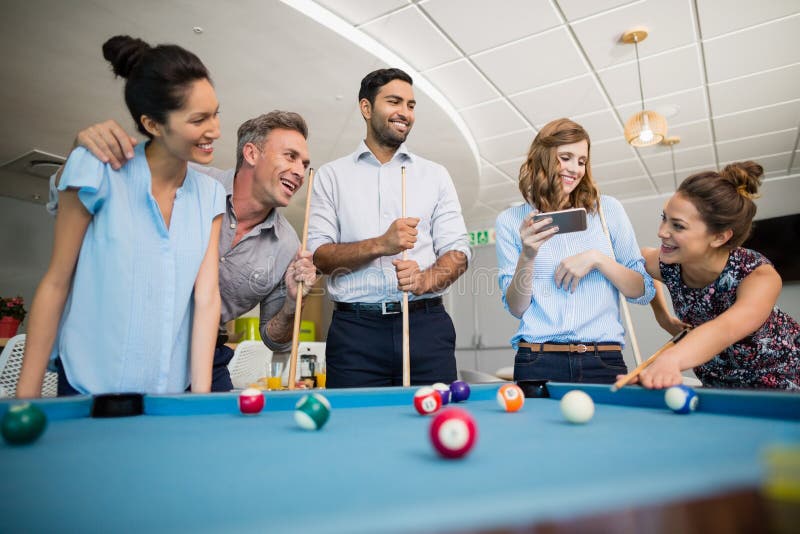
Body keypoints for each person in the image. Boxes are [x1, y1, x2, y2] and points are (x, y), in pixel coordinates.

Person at [48, 111, 319, 392]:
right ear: (251, 153)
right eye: (290, 156)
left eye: (305, 163)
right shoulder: (187, 178)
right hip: (127, 335)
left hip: (206, 355)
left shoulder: (288, 245)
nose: (300, 171)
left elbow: (275, 340)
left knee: (215, 433)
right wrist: (80, 158)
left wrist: (292, 300)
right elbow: (65, 197)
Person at [17, 35, 225, 397]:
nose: (215, 131)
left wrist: (201, 398)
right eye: (199, 119)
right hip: (88, 387)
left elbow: (207, 298)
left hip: (168, 393)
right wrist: (25, 398)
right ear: (153, 124)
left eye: (216, 113)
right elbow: (56, 283)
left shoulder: (209, 196)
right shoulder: (95, 169)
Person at [308, 68, 471, 388]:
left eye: (411, 105)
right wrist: (381, 244)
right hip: (355, 336)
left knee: (434, 427)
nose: (405, 113)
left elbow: (459, 252)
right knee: (355, 431)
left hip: (425, 327)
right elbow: (320, 256)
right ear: (366, 108)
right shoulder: (331, 176)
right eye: (394, 102)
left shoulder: (435, 175)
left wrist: (424, 280)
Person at [495, 118, 655, 384]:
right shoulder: (511, 221)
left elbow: (643, 291)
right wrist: (528, 255)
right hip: (537, 359)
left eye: (581, 161)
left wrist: (597, 259)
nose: (575, 169)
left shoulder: (608, 210)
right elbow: (517, 308)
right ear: (543, 159)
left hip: (603, 359)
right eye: (565, 157)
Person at [638, 161, 800, 390]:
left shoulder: (759, 276)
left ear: (719, 237)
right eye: (664, 218)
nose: (662, 231)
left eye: (678, 226)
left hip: (781, 386)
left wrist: (671, 358)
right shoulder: (669, 264)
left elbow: (725, 328)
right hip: (718, 385)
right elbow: (639, 262)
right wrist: (662, 316)